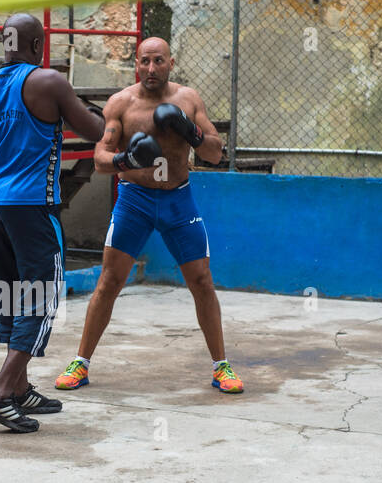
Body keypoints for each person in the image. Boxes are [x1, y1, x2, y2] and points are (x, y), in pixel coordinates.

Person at [55, 37, 244, 394]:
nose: (151, 69)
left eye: (159, 61)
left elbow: (216, 153)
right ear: (136, 64)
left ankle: (222, 366)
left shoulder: (188, 99)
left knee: (202, 281)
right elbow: (99, 159)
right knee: (110, 281)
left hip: (177, 201)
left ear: (171, 63)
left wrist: (190, 130)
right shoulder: (120, 104)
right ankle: (81, 362)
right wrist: (127, 160)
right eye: (145, 61)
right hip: (135, 201)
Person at [0, 13, 105, 432]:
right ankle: (0, 393)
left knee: (12, 293)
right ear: (38, 44)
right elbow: (94, 130)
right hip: (33, 205)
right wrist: (103, 113)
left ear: (4, 43)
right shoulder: (47, 82)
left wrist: (4, 165)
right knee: (40, 296)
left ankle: (19, 388)